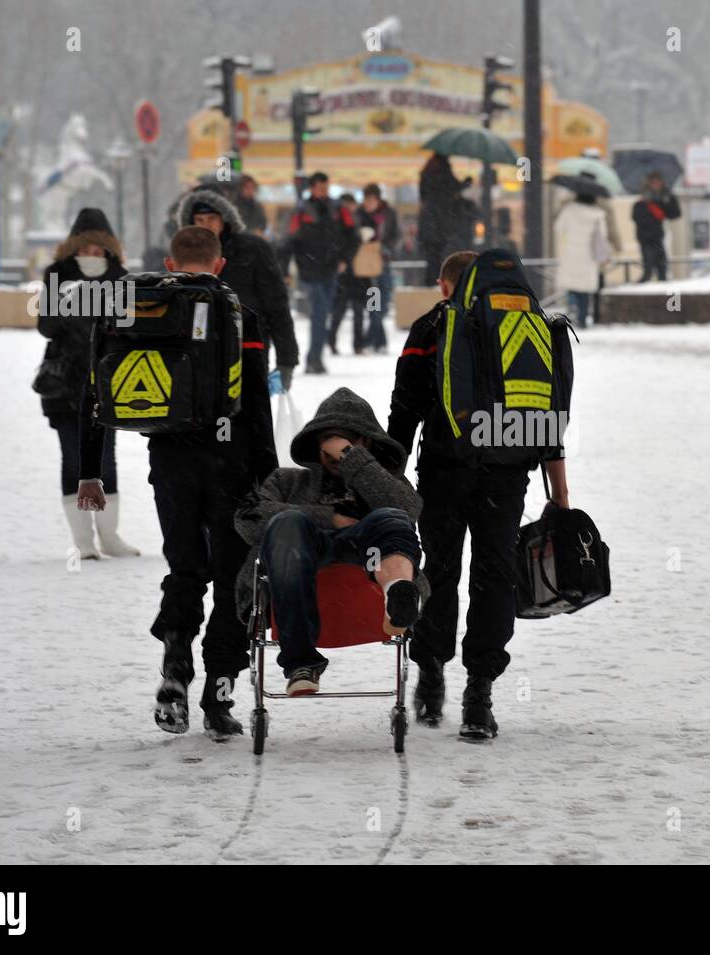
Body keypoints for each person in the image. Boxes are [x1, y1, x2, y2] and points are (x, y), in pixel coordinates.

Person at [77, 226, 279, 741]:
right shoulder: (239, 316)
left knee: (186, 568)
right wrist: (268, 477)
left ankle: (174, 662)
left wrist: (90, 470)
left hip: (169, 458)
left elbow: (94, 394)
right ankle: (220, 693)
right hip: (231, 461)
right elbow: (256, 404)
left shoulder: (133, 309)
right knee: (236, 574)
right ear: (220, 263)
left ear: (169, 261)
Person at [388, 251, 572, 740]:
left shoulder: (432, 327)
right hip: (507, 475)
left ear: (446, 287)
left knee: (439, 571)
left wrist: (389, 481)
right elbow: (548, 414)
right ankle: (480, 695)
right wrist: (561, 492)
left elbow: (404, 409)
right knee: (495, 575)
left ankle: (430, 673)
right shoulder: (532, 327)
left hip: (445, 471)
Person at [234, 388, 424, 695]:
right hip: (300, 555)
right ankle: (300, 663)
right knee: (286, 522)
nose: (337, 447)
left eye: (350, 439)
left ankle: (398, 596)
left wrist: (353, 461)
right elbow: (248, 517)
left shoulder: (384, 484)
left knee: (391, 516)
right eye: (331, 438)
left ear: (368, 443)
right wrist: (330, 517)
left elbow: (409, 511)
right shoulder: (287, 480)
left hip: (369, 559)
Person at [36, 207, 139, 560]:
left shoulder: (121, 278)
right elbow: (46, 326)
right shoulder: (56, 275)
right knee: (73, 458)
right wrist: (78, 308)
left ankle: (109, 534)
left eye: (98, 250)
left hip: (105, 381)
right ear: (73, 249)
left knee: (105, 459)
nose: (91, 256)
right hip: (64, 382)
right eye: (85, 249)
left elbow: (128, 327)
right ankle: (82, 538)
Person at [179, 188, 299, 390]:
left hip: (249, 348)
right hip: (197, 354)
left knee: (248, 415)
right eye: (199, 220)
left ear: (224, 219)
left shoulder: (253, 249)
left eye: (211, 219)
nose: (205, 226)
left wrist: (286, 360)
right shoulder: (182, 255)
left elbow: (277, 305)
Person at [286, 172, 348, 374]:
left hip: (330, 269)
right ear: (312, 188)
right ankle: (314, 358)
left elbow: (351, 234)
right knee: (320, 314)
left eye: (326, 188)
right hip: (310, 270)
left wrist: (344, 258)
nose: (323, 192)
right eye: (320, 188)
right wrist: (291, 266)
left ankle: (315, 358)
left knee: (322, 314)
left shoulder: (337, 208)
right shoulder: (302, 210)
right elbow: (290, 239)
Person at [552, 186, 610, 328]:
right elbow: (602, 235)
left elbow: (558, 228)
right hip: (588, 255)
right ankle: (583, 318)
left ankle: (572, 312)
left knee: (572, 286)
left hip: (572, 252)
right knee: (584, 289)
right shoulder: (598, 214)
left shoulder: (569, 210)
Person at [418, 154, 471, 285]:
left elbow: (424, 196)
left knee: (432, 257)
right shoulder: (443, 173)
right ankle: (437, 281)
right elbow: (453, 188)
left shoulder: (426, 175)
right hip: (440, 223)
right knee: (441, 255)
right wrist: (466, 182)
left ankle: (430, 281)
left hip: (429, 223)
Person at [359, 183, 400, 351]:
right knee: (374, 302)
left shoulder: (388, 213)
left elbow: (395, 235)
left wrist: (385, 247)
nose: (368, 203)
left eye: (371, 200)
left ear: (377, 199)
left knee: (382, 304)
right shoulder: (360, 215)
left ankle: (372, 339)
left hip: (384, 260)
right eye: (366, 200)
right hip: (368, 263)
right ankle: (378, 341)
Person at [327, 191, 366, 355]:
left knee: (359, 309)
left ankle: (357, 344)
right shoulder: (340, 222)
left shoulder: (353, 220)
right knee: (340, 310)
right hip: (346, 272)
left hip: (360, 274)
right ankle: (333, 341)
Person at [631, 171, 681, 282]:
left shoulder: (666, 196)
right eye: (653, 182)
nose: (655, 185)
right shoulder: (642, 201)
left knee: (660, 258)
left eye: (657, 182)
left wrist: (668, 202)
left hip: (658, 234)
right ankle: (648, 276)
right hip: (645, 234)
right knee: (647, 258)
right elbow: (636, 217)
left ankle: (661, 276)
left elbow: (675, 214)